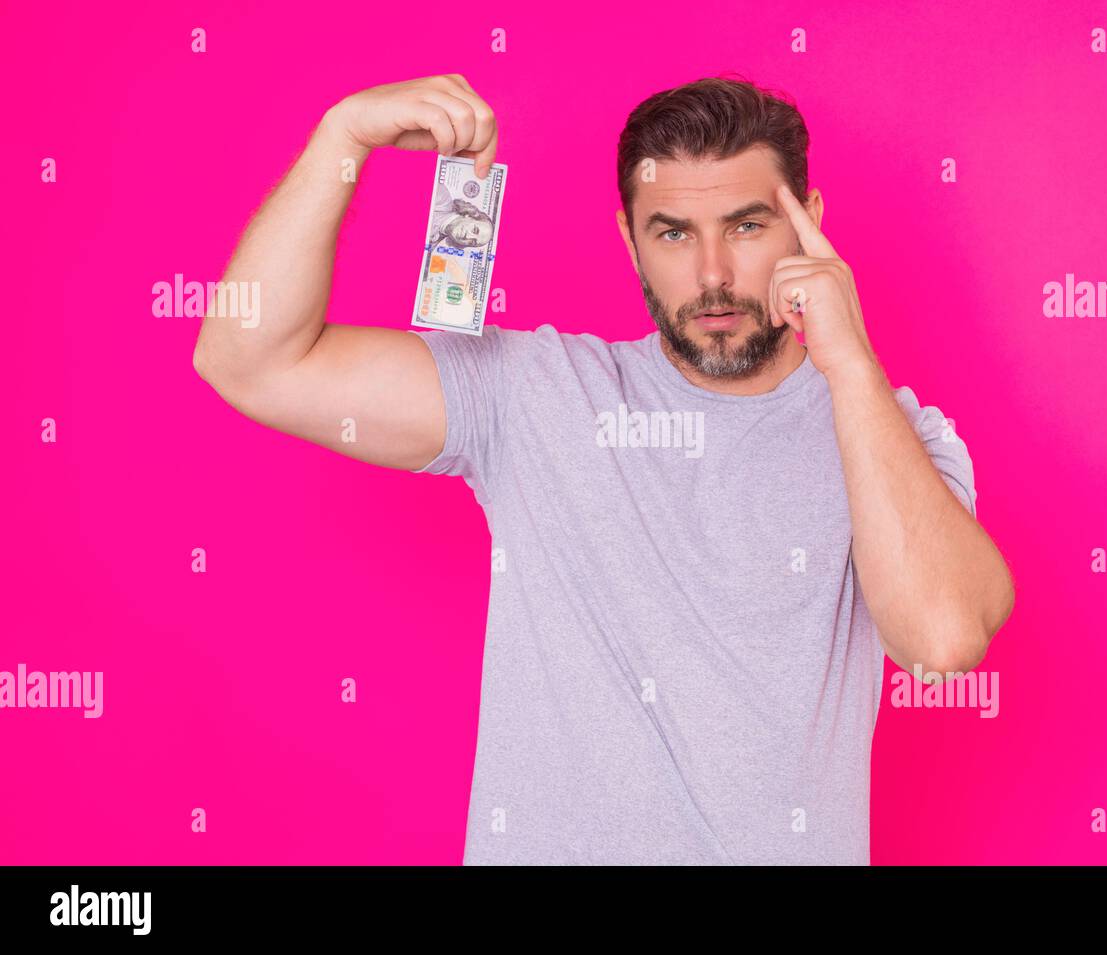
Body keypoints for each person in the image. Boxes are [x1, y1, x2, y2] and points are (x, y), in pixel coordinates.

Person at [193, 72, 1015, 865]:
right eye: (673, 233)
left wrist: (850, 361)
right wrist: (344, 135)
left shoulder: (890, 433)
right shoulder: (535, 394)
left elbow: (942, 640)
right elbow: (251, 361)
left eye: (746, 226)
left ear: (809, 227)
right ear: (629, 239)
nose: (713, 275)